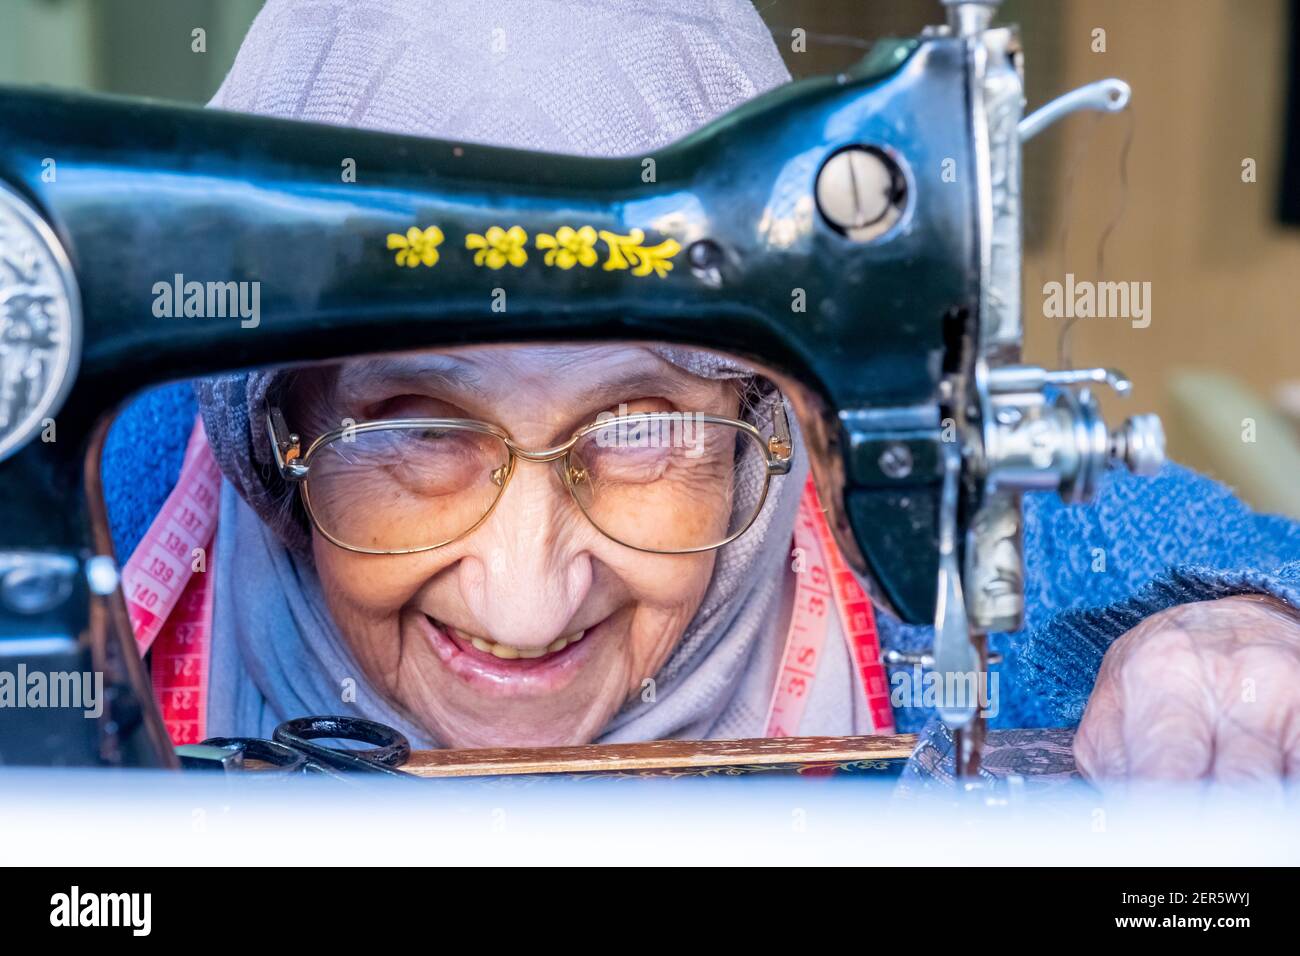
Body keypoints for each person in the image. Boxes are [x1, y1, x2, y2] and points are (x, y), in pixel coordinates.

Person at [102, 0, 1300, 781]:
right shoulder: (111, 491)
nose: (527, 599)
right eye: (415, 429)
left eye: (643, 425)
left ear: (762, 397)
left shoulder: (894, 491)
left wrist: (1241, 635)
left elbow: (1247, 576)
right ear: (269, 423)